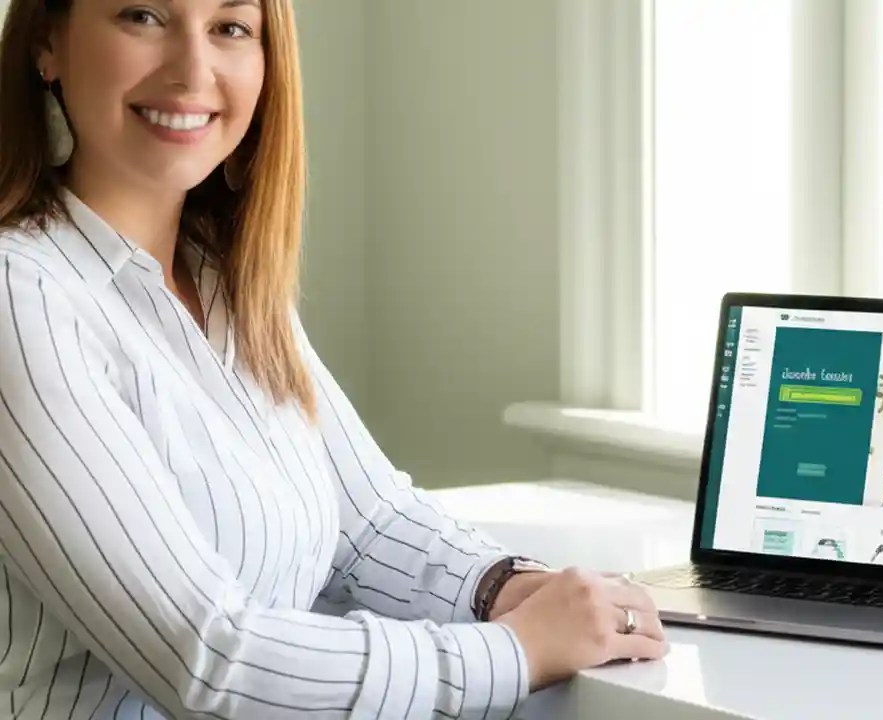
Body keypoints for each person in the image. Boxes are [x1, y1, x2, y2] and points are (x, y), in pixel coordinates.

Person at [0, 1, 665, 717]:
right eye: (143, 15)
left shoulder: (225, 279)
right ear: (48, 44)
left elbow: (370, 520)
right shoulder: (20, 298)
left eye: (230, 28)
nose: (194, 70)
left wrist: (502, 585)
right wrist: (519, 650)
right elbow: (211, 659)